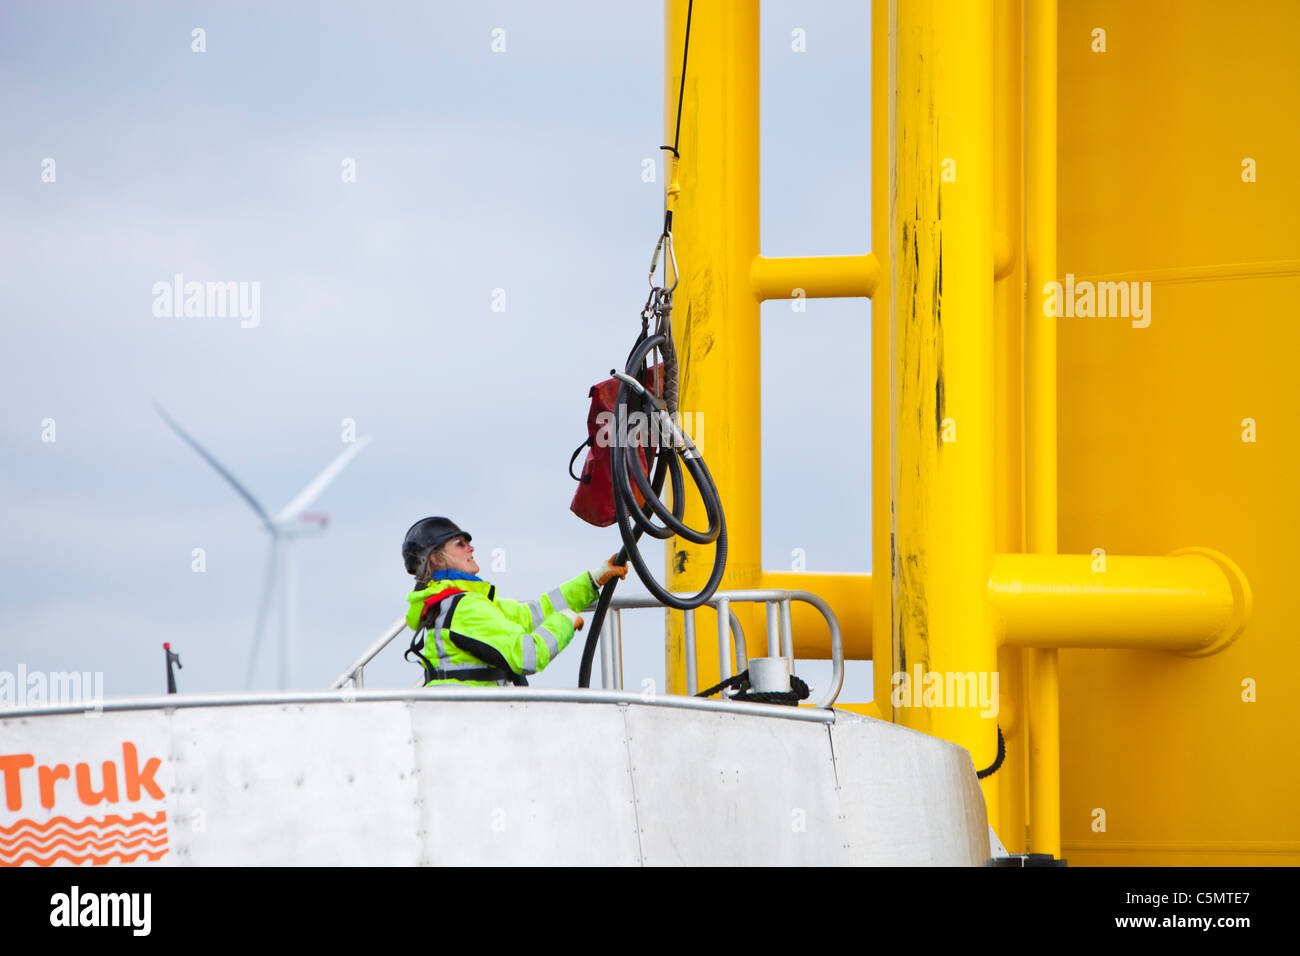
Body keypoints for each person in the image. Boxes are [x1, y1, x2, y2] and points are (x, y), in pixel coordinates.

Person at [401, 516, 628, 687]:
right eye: (460, 544)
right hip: (473, 726)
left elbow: (532, 615)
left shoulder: (459, 603)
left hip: (469, 722)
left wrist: (592, 581)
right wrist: (565, 622)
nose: (471, 547)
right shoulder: (465, 608)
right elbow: (528, 655)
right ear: (436, 558)